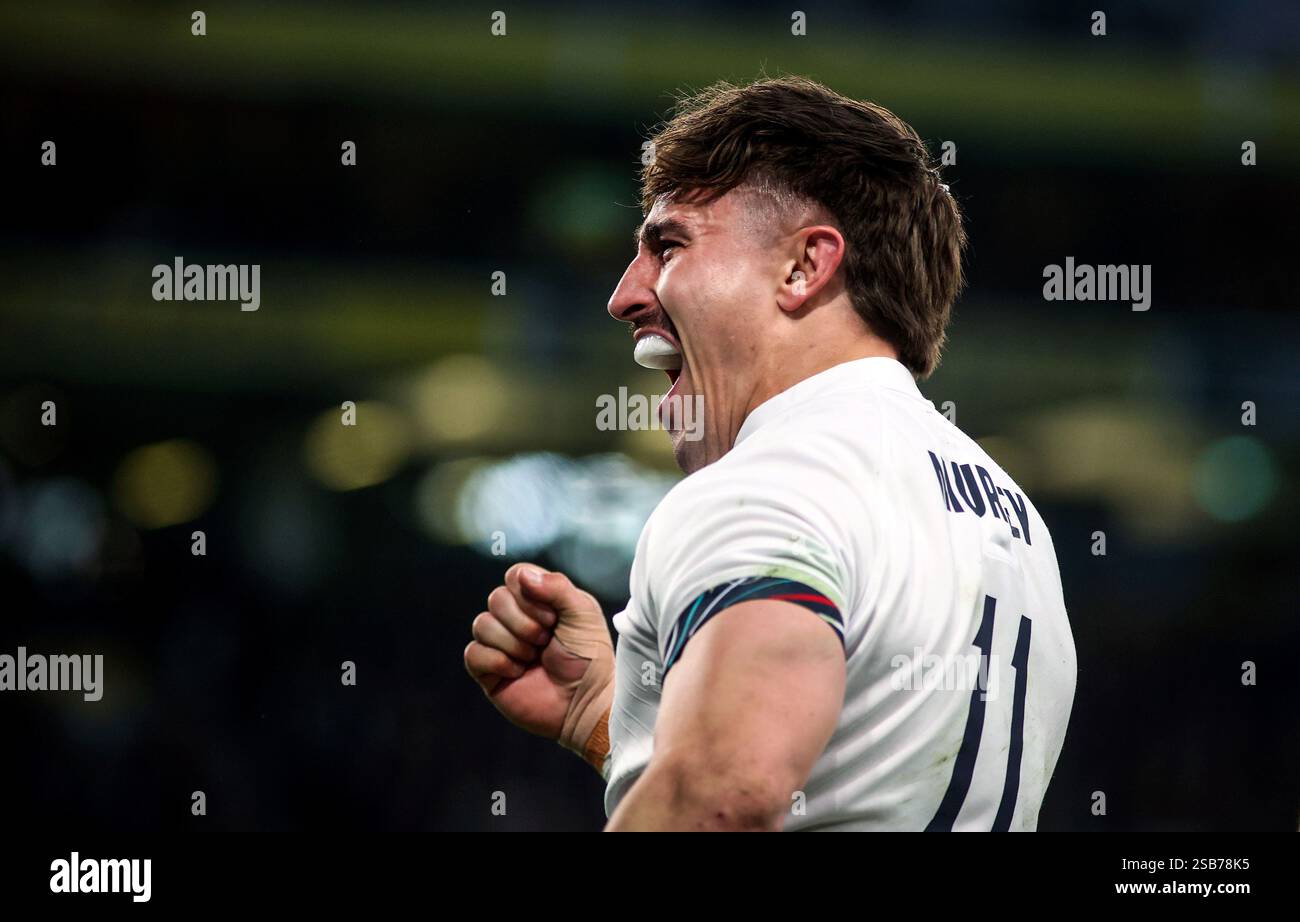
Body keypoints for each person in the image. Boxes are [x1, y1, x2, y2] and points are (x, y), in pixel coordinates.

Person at [464, 75, 1076, 831]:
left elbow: (723, 795)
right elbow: (849, 780)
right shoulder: (1012, 517)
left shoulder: (770, 481)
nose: (625, 295)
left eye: (668, 245)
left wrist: (691, 776)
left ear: (803, 267)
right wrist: (607, 717)